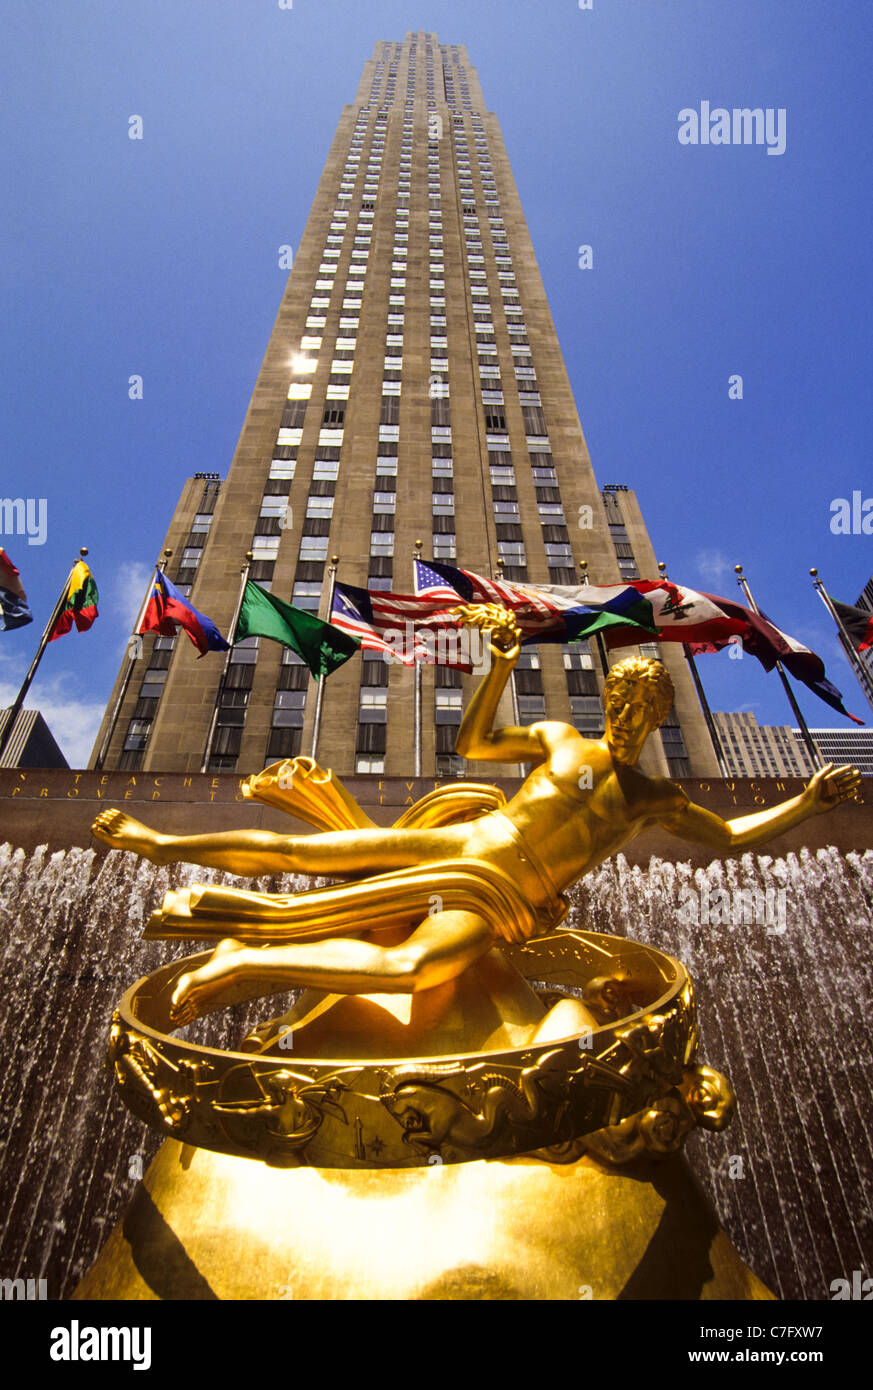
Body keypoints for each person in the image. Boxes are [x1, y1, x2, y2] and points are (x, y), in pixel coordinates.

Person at [92, 604, 860, 1033]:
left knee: (413, 967)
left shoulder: (652, 798)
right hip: (471, 840)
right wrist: (497, 667)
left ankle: (248, 960)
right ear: (612, 699)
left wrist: (804, 803)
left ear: (659, 718)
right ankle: (161, 843)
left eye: (651, 705)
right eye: (629, 698)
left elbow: (727, 838)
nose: (636, 711)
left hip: (502, 897)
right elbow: (474, 743)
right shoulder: (562, 737)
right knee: (335, 848)